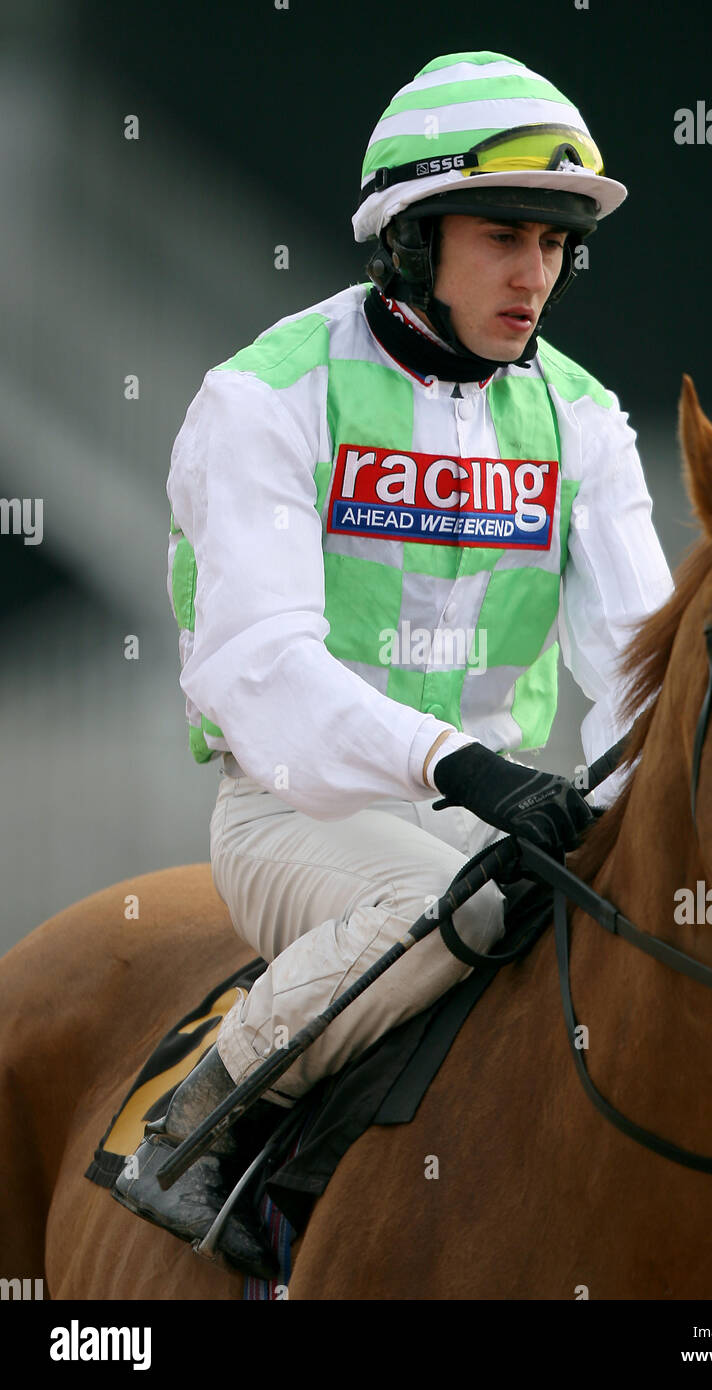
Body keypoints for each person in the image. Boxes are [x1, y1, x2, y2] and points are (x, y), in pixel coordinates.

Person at [113, 49, 675, 1276]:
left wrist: (645, 815)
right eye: (504, 236)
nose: (537, 275)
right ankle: (198, 1115)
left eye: (558, 246)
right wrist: (455, 761)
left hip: (494, 811)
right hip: (297, 813)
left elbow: (642, 666)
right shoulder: (264, 397)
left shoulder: (580, 419)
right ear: (412, 238)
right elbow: (260, 665)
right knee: (452, 909)